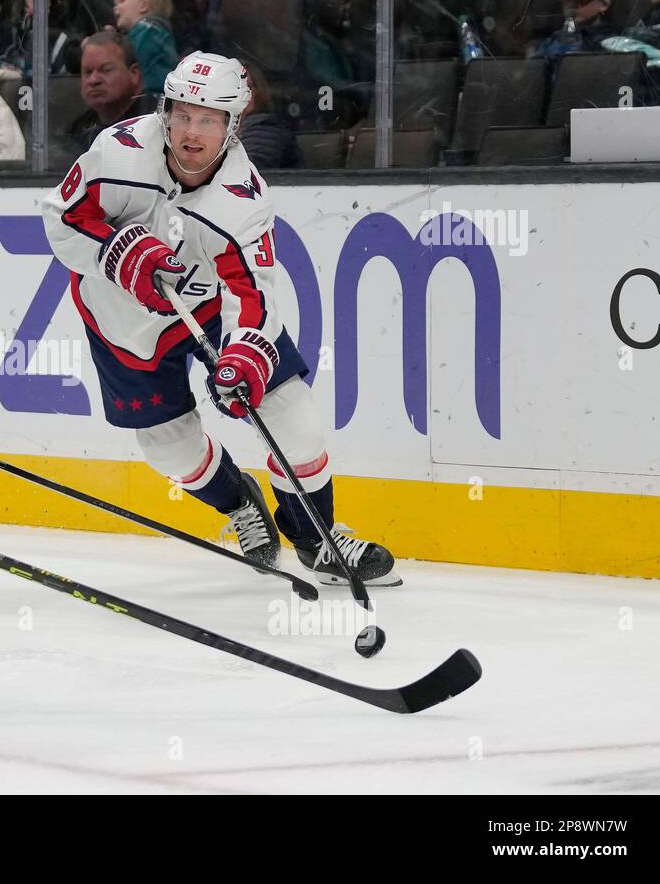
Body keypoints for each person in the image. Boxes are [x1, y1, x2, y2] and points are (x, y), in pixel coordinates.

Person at [41, 52, 398, 587]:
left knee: (293, 418)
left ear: (234, 126)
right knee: (169, 447)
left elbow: (250, 294)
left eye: (208, 120)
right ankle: (239, 504)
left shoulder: (241, 200)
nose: (191, 133)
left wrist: (244, 356)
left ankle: (316, 539)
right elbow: (63, 218)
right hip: (122, 318)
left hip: (207, 308)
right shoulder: (117, 152)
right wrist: (121, 253)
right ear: (165, 112)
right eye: (183, 115)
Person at [67, 31, 158, 156]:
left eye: (106, 70)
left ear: (134, 74)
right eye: (87, 72)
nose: (93, 80)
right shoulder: (80, 128)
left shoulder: (156, 125)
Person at [532, 0, 617, 62]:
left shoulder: (613, 45)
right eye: (566, 0)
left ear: (603, 4)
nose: (570, 6)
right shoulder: (551, 42)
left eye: (579, 0)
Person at [113, 0, 179, 92]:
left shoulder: (148, 31)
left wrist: (112, 42)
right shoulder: (150, 31)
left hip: (154, 95)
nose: (115, 8)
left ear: (144, 6)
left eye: (122, 1)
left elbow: (131, 58)